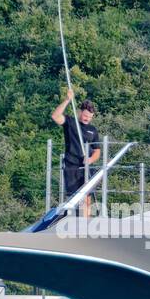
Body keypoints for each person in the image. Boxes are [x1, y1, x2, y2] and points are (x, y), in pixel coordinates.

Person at [51, 88, 101, 216]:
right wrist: (67, 100)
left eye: (90, 117)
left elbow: (97, 151)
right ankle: (73, 222)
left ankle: (85, 226)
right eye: (85, 115)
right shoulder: (71, 122)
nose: (87, 119)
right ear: (79, 112)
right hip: (71, 165)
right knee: (74, 197)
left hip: (86, 166)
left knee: (87, 197)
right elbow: (55, 116)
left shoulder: (93, 130)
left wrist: (90, 160)